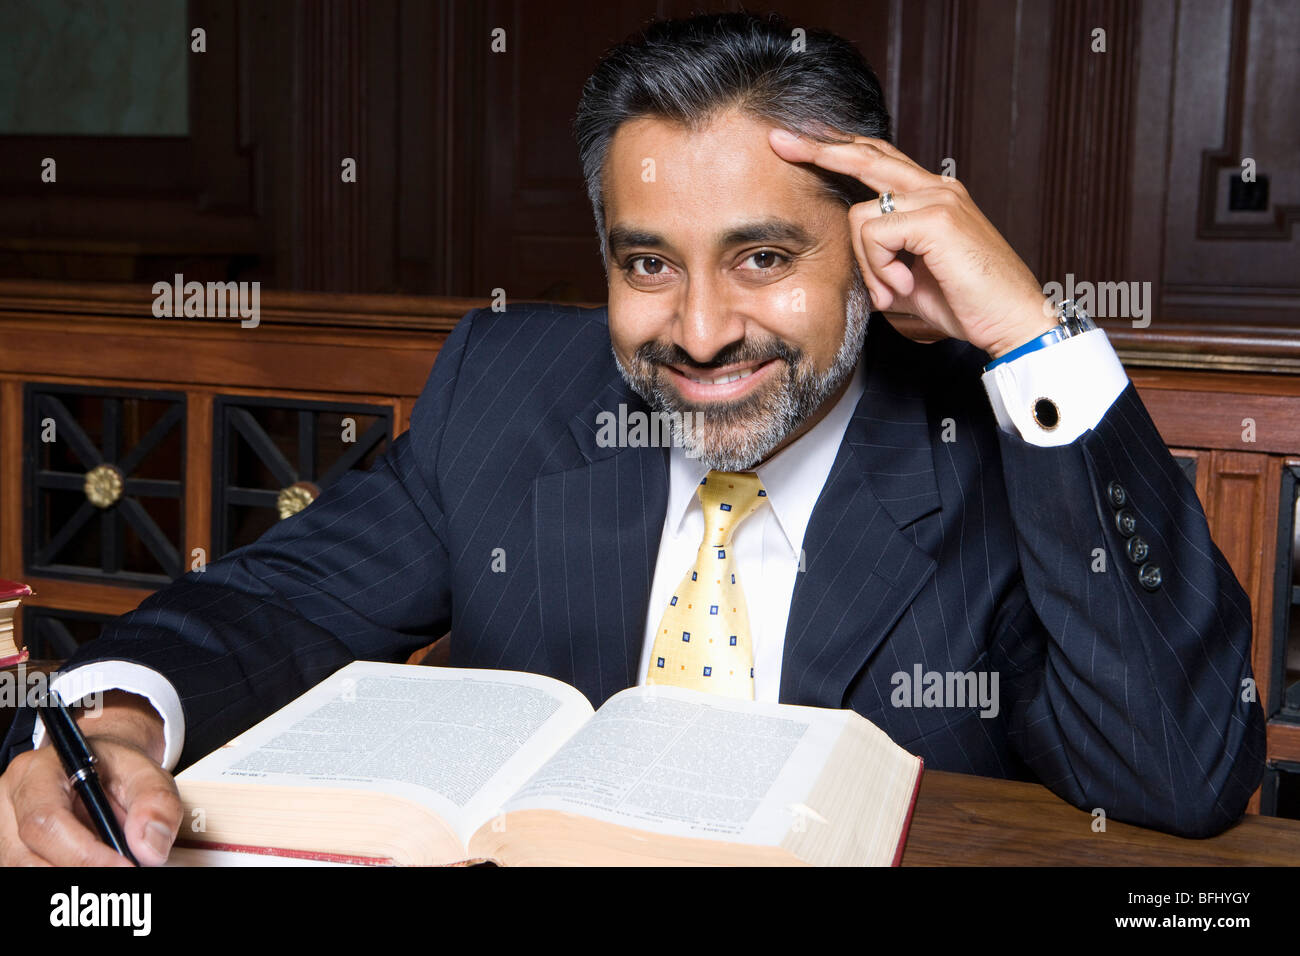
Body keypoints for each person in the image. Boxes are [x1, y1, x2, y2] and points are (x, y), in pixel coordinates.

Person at [0, 11, 1265, 866]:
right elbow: (283, 602)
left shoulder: (986, 445)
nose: (702, 330)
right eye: (648, 263)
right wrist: (117, 715)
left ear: (881, 254)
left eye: (763, 257)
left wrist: (1029, 337)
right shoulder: (510, 389)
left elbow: (1176, 768)